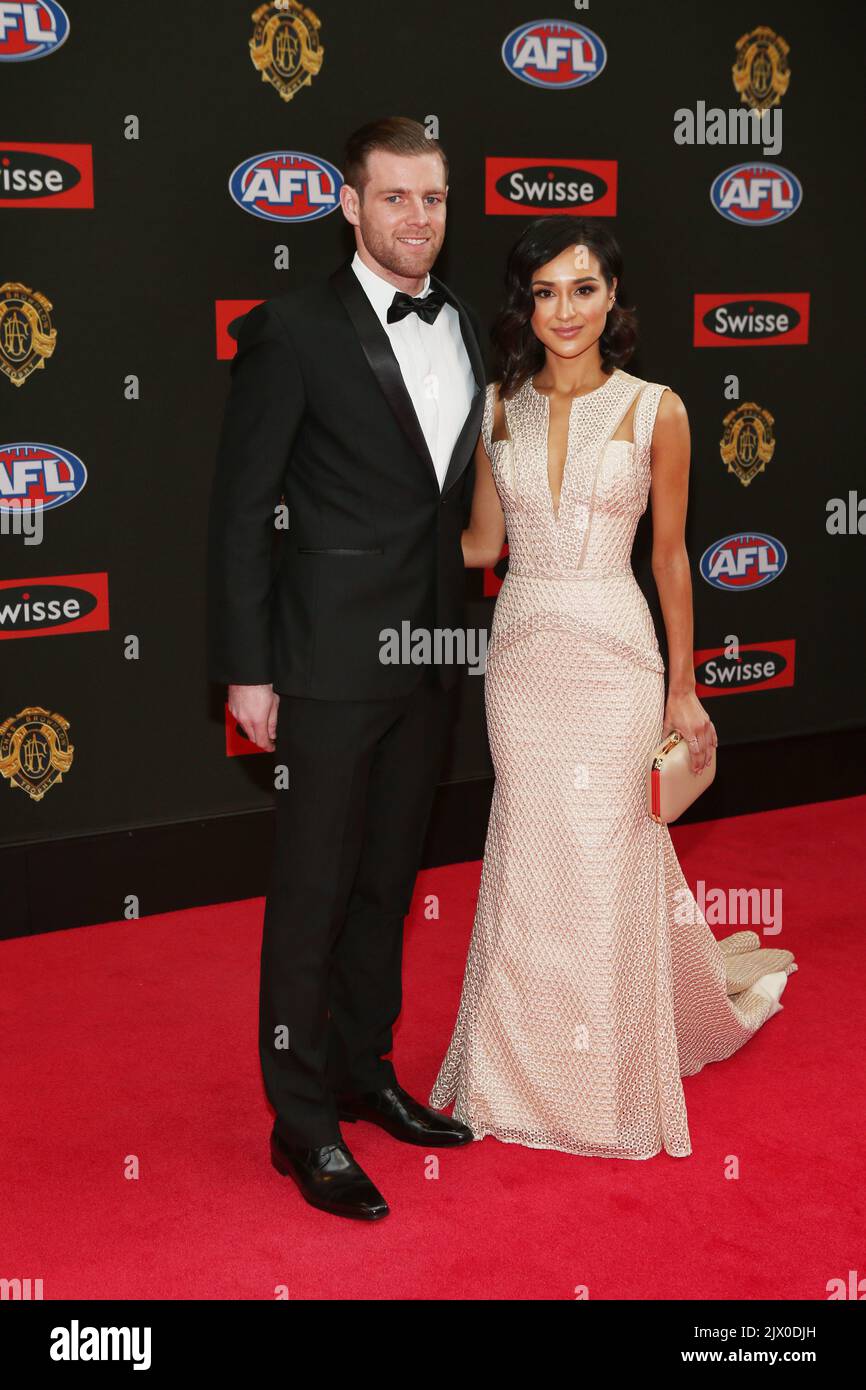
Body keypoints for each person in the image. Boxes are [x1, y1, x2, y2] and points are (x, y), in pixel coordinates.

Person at [428, 216, 798, 1159]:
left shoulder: (657, 408)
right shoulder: (497, 407)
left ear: (613, 300)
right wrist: (369, 541)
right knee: (530, 851)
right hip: (522, 658)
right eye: (545, 291)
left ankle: (597, 1081)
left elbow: (671, 559)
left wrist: (683, 689)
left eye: (583, 289)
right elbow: (478, 544)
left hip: (615, 654)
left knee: (604, 854)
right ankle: (511, 1076)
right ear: (527, 304)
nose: (565, 310)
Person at [207, 117, 484, 1220]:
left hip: (429, 656)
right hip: (321, 660)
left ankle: (365, 1071)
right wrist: (246, 668)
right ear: (349, 206)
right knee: (312, 892)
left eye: (434, 199)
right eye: (396, 198)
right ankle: (301, 1121)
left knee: (386, 882)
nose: (418, 219)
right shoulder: (290, 328)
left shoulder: (462, 322)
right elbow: (239, 514)